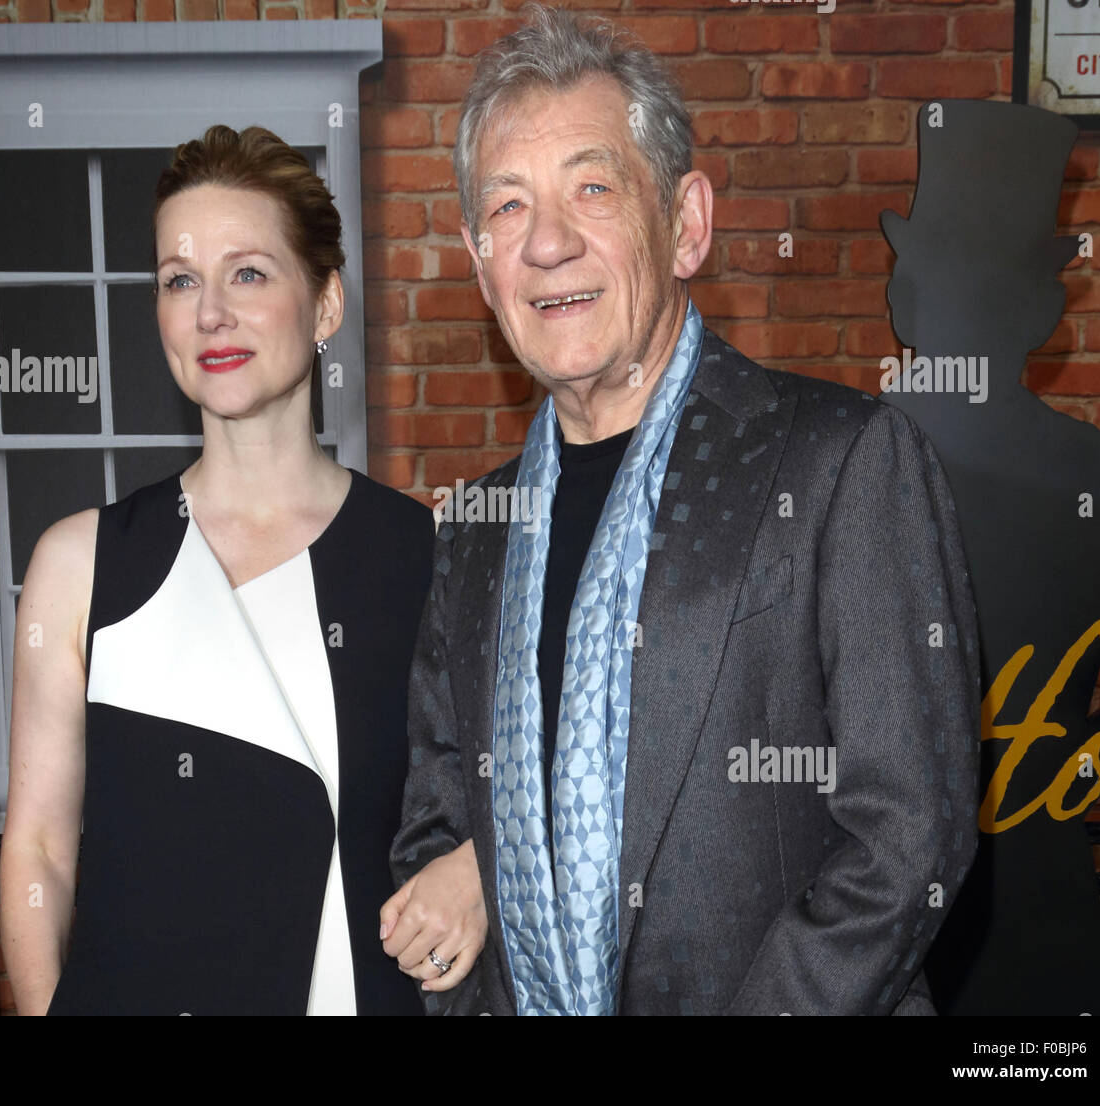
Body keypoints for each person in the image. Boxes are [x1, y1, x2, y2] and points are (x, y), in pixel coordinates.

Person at [390, 4, 983, 1016]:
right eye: (506, 208)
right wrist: (470, 876)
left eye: (592, 186)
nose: (547, 244)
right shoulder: (475, 528)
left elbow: (908, 830)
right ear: (478, 257)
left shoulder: (842, 460)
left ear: (686, 222)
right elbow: (441, 819)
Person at [0, 124, 484, 1015]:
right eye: (181, 280)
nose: (209, 312)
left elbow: (512, 805)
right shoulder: (78, 563)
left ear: (326, 304)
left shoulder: (432, 560)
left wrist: (477, 874)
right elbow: (38, 851)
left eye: (248, 273)